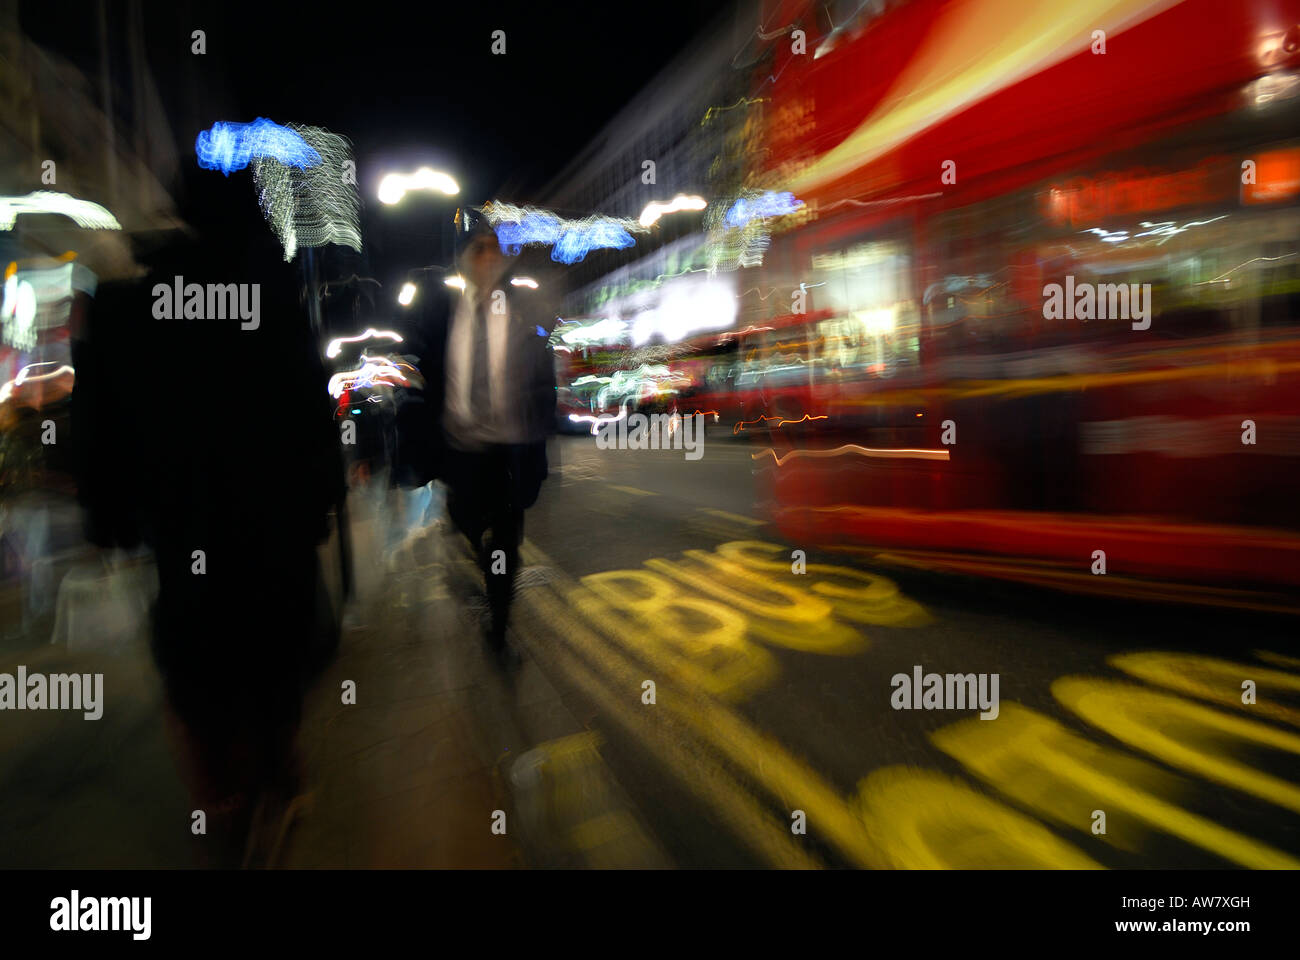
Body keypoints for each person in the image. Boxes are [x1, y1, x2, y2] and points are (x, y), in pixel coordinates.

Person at [426, 216, 555, 664]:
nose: (486, 256)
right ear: (464, 260)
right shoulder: (444, 313)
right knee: (465, 519)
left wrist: (539, 440)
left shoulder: (522, 311)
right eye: (477, 249)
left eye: (492, 249)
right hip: (461, 448)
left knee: (506, 539)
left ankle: (499, 625)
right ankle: (482, 554)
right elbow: (428, 380)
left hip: (508, 448)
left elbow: (544, 383)